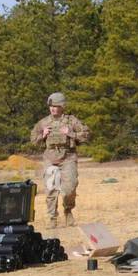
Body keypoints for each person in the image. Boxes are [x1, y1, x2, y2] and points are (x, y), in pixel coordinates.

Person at [29, 92, 90, 228]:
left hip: (68, 157)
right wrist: (42, 135)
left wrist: (71, 133)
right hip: (50, 157)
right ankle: (52, 217)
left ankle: (68, 209)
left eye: (56, 106)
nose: (53, 109)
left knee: (70, 188)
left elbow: (86, 135)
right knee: (51, 189)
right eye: (51, 106)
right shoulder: (44, 122)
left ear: (62, 106)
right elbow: (33, 140)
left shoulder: (71, 121)